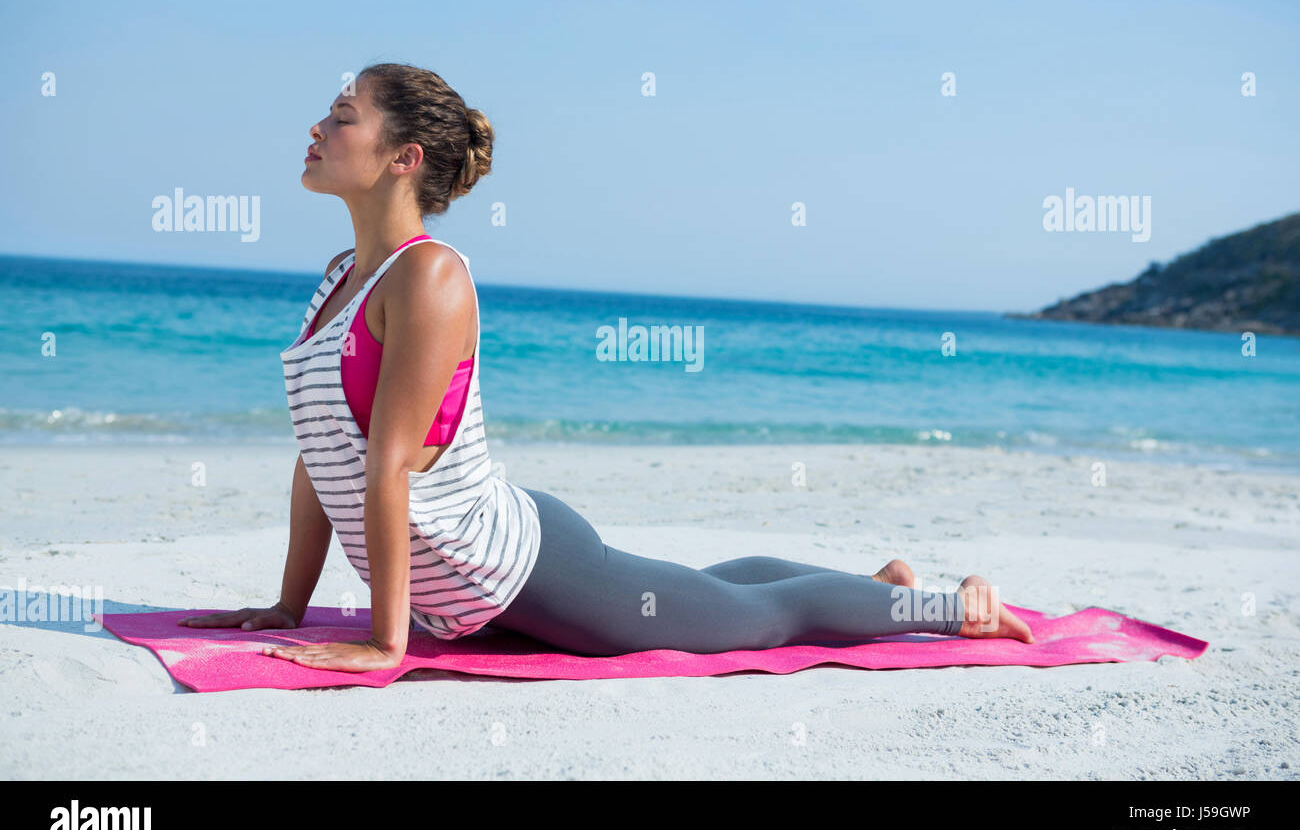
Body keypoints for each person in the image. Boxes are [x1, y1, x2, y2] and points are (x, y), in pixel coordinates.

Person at [178, 62, 1033, 669]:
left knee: (757, 618)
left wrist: (385, 642)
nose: (319, 128)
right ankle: (871, 584)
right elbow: (323, 455)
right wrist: (289, 605)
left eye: (343, 115)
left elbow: (391, 466)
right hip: (468, 593)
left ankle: (951, 608)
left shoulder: (431, 277)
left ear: (404, 160)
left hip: (512, 567)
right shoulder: (340, 279)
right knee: (698, 591)